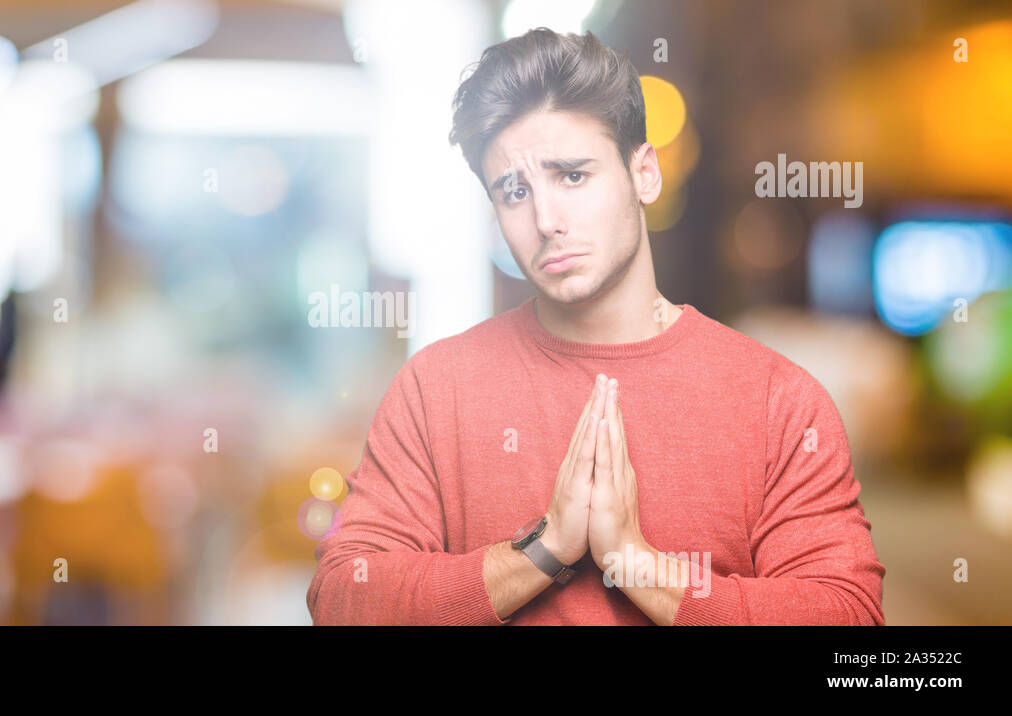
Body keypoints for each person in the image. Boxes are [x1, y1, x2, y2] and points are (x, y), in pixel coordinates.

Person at [306, 28, 885, 625]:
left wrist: (636, 564)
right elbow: (344, 598)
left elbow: (846, 617)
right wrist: (543, 551)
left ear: (645, 173)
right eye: (514, 191)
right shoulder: (436, 389)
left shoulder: (777, 400)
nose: (546, 220)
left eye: (572, 176)